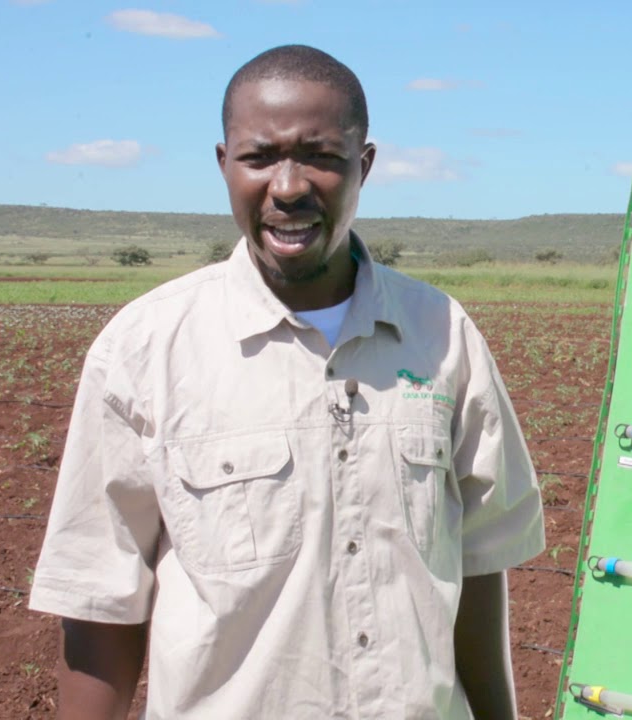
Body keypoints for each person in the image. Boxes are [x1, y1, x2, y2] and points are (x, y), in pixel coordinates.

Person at [29, 45, 545, 719]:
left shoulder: (444, 336)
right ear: (225, 166)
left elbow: (477, 567)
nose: (290, 185)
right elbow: (101, 604)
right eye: (260, 156)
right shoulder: (145, 349)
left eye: (321, 156)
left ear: (364, 165)